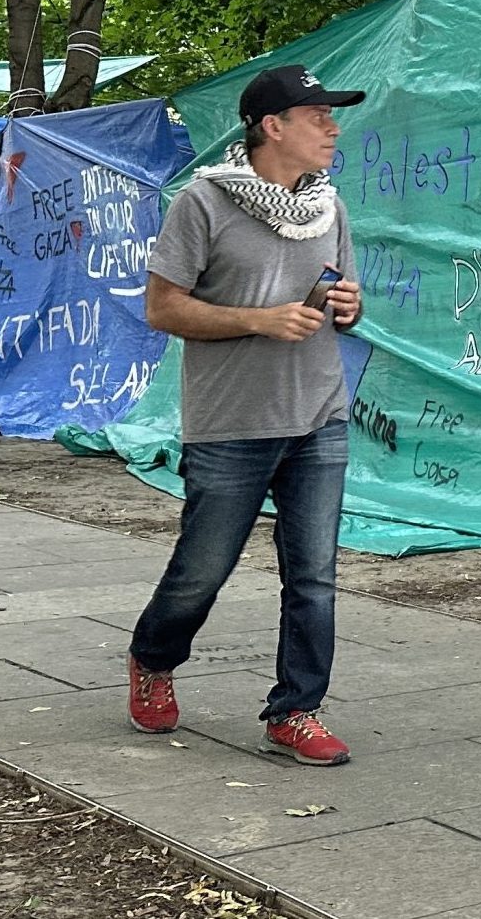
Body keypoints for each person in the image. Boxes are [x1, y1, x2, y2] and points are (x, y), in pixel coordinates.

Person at [125, 64, 366, 765]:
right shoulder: (202, 204)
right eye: (318, 116)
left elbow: (341, 299)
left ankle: (296, 711)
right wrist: (256, 321)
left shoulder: (330, 208)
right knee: (203, 570)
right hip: (230, 422)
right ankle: (153, 657)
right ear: (272, 126)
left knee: (314, 576)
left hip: (318, 415)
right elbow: (162, 307)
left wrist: (349, 310)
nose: (333, 128)